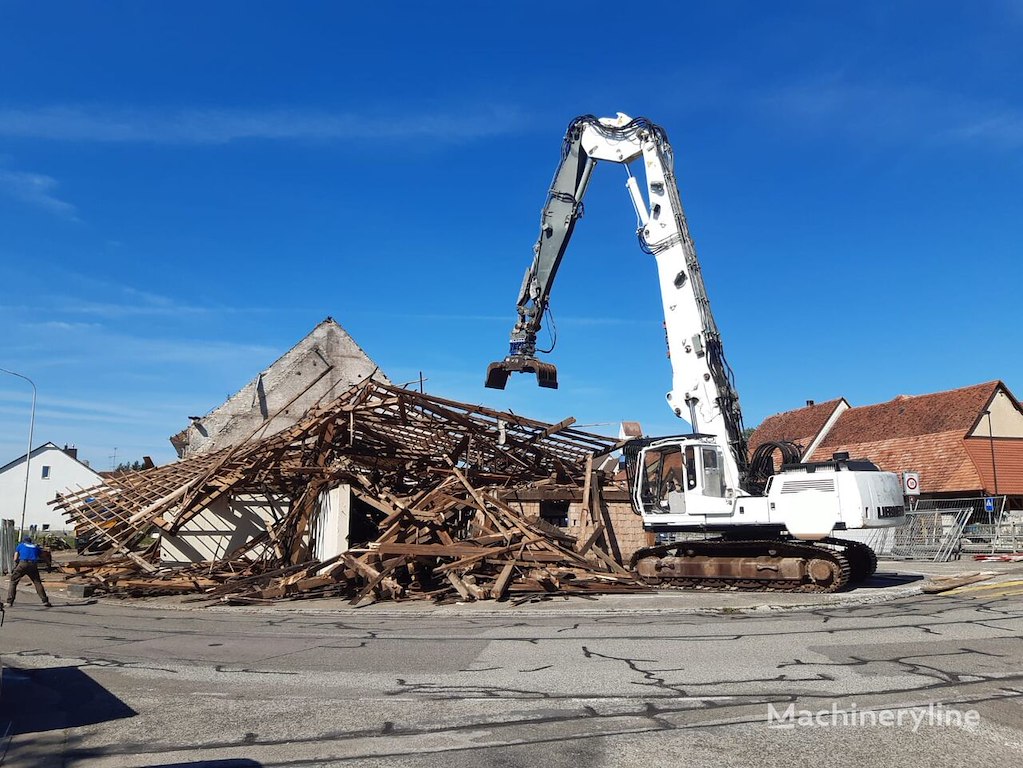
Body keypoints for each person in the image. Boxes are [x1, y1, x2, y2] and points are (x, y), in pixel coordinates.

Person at [7, 535, 51, 607]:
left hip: (23, 564)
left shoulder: (20, 545)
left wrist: (17, 564)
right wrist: (48, 563)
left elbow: (15, 558)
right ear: (30, 541)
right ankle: (45, 601)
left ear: (24, 541)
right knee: (37, 582)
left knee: (13, 581)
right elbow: (43, 556)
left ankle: (9, 602)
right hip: (33, 565)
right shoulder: (35, 547)